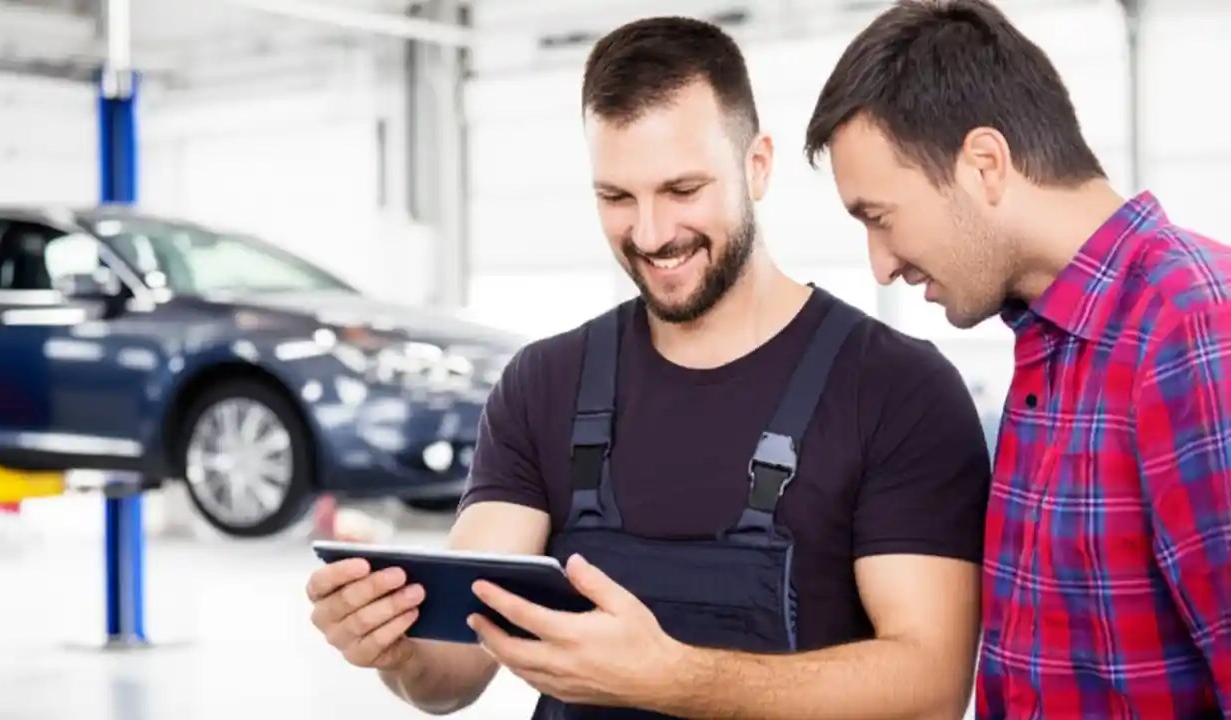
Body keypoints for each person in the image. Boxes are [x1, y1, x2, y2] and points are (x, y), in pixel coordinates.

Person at [306, 15, 992, 719]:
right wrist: (397, 646)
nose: (652, 233)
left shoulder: (897, 390)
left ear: (757, 166)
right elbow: (453, 674)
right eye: (617, 198)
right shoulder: (543, 385)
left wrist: (675, 679)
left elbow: (929, 687)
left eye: (682, 190)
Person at [802, 0, 1231, 717]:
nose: (881, 265)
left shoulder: (1193, 327)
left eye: (880, 217)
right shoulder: (1052, 344)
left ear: (984, 165)